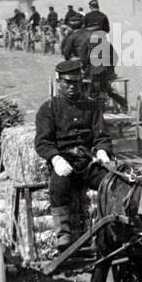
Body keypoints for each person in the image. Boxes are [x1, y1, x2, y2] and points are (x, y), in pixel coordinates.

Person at [34, 58, 113, 250]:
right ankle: (64, 232)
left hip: (88, 162)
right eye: (67, 83)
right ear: (59, 82)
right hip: (65, 162)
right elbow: (43, 142)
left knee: (111, 183)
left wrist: (102, 151)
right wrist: (55, 158)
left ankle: (108, 229)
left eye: (76, 83)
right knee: (58, 187)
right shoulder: (49, 109)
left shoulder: (92, 106)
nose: (72, 87)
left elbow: (102, 135)